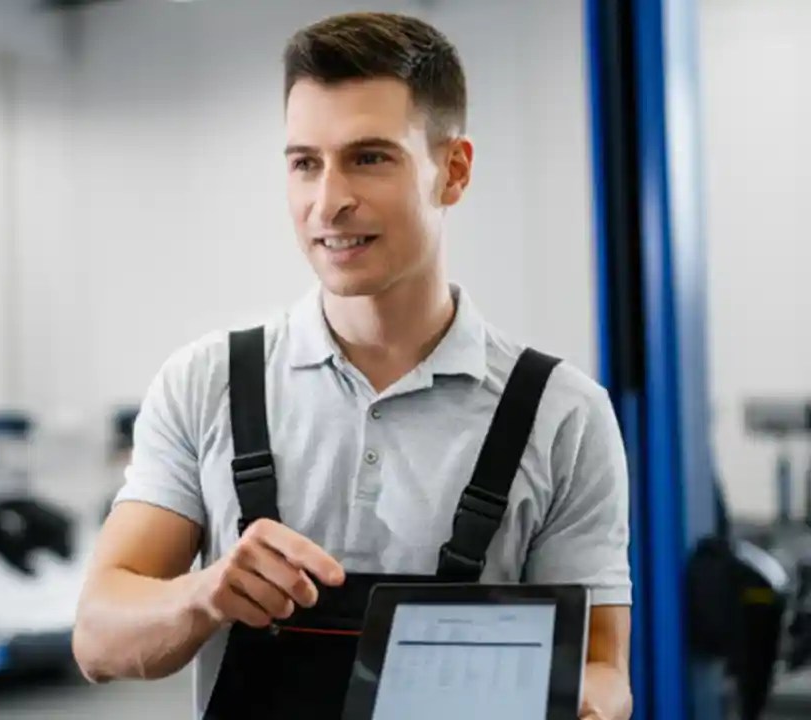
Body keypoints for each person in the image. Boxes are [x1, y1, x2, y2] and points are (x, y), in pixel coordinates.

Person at [73, 11, 632, 720]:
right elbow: (96, 639)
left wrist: (577, 701)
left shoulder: (562, 415)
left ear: (452, 171)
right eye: (305, 162)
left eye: (369, 158)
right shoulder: (207, 384)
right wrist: (205, 591)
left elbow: (605, 667)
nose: (328, 202)